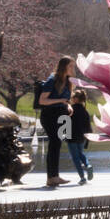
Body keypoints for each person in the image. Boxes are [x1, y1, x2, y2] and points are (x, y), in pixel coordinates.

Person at [38, 56, 74, 187]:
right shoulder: (52, 80)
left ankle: (54, 176)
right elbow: (42, 100)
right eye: (70, 66)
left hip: (61, 115)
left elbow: (66, 100)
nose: (72, 68)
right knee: (54, 143)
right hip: (49, 115)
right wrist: (60, 101)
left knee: (57, 144)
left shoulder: (68, 81)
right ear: (64, 66)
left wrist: (68, 106)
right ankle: (52, 177)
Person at [68, 88, 94, 185]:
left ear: (76, 99)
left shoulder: (70, 110)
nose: (71, 99)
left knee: (75, 157)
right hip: (82, 137)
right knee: (80, 153)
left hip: (72, 136)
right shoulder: (85, 112)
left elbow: (65, 123)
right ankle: (88, 165)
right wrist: (87, 139)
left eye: (73, 97)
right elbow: (89, 127)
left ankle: (82, 177)